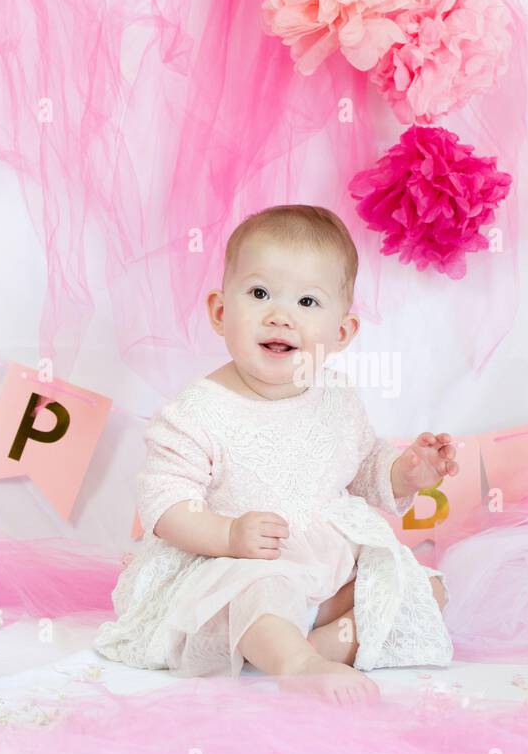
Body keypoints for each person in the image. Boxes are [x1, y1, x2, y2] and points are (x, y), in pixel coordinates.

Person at [95, 204, 458, 704]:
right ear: (222, 312)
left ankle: (315, 645)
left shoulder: (336, 398)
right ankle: (296, 662)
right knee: (257, 591)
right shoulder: (197, 410)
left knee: (422, 589)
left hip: (327, 580)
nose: (281, 315)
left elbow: (364, 472)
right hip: (236, 571)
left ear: (342, 333)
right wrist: (228, 534)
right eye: (260, 293)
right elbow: (163, 503)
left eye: (308, 301)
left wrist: (406, 472)